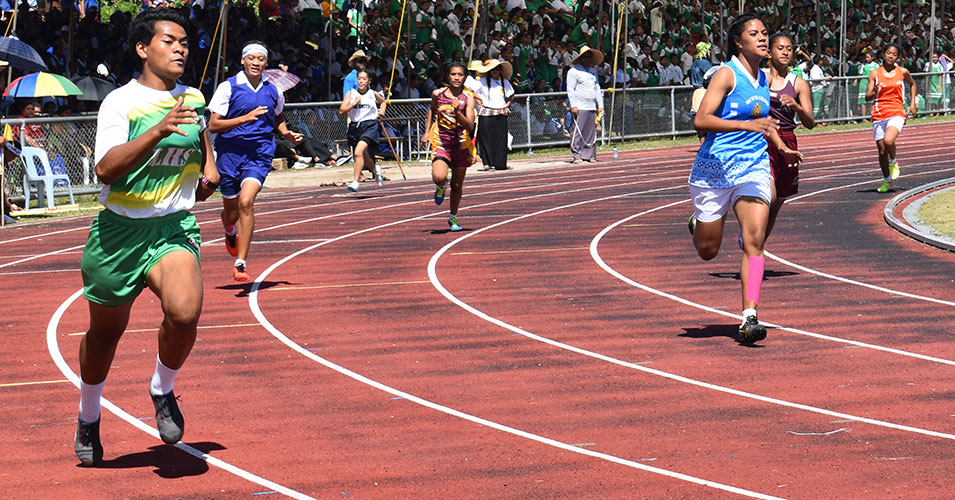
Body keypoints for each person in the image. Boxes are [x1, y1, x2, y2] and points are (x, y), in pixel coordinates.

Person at [74, 7, 220, 467]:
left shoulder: (194, 97)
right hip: (118, 232)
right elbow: (105, 168)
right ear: (143, 49)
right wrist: (157, 131)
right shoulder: (121, 102)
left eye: (184, 42)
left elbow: (199, 136)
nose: (181, 48)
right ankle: (89, 414)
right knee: (105, 335)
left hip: (171, 227)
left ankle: (162, 388)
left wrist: (209, 166)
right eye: (169, 41)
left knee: (185, 311)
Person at [687, 14, 802, 344]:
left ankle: (750, 315)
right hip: (715, 169)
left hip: (753, 167)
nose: (763, 39)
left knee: (755, 241)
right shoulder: (727, 74)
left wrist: (780, 147)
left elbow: (764, 122)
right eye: (755, 34)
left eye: (765, 33)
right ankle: (699, 221)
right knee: (708, 250)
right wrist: (746, 126)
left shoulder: (764, 78)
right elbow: (701, 120)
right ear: (739, 42)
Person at [209, 40, 302, 282]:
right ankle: (229, 230)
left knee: (246, 202)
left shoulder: (273, 90)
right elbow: (213, 125)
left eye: (261, 59)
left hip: (259, 153)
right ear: (243, 61)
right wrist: (244, 118)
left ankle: (241, 263)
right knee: (230, 213)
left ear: (266, 63)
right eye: (252, 58)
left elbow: (278, 116)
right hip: (229, 153)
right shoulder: (228, 87)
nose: (256, 63)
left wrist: (285, 133)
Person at [763, 32, 815, 244]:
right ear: (769, 52)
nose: (785, 52)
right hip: (763, 139)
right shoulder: (760, 79)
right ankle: (752, 238)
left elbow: (810, 122)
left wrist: (796, 106)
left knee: (777, 204)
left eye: (789, 49)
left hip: (789, 140)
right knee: (768, 197)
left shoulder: (798, 83)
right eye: (780, 48)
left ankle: (757, 245)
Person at [422, 62, 476, 232]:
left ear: (464, 77)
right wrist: (427, 131)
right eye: (453, 74)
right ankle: (440, 186)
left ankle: (453, 217)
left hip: (461, 144)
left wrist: (458, 111)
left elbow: (470, 126)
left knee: (458, 185)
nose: (457, 78)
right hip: (442, 141)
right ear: (448, 76)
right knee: (439, 176)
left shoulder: (469, 98)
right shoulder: (438, 94)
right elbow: (432, 110)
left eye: (460, 75)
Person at [865, 43, 917, 193]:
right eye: (888, 53)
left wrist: (912, 104)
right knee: (882, 152)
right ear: (883, 54)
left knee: (889, 140)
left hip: (897, 112)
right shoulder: (875, 73)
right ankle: (887, 181)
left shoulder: (902, 72)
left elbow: (913, 84)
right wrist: (875, 91)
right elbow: (867, 96)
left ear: (898, 57)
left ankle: (894, 162)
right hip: (879, 113)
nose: (891, 56)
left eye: (894, 54)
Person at [338, 69, 387, 193]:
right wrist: (354, 103)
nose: (361, 81)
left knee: (358, 152)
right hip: (355, 127)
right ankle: (376, 171)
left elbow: (383, 102)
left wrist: (382, 111)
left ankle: (355, 182)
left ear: (369, 80)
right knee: (364, 157)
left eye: (364, 79)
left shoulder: (372, 93)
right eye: (359, 78)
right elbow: (342, 110)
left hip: (370, 125)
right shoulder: (352, 93)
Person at [566, 45, 605, 164]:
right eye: (586, 57)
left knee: (590, 132)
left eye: (590, 57)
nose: (588, 60)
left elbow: (597, 88)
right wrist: (573, 105)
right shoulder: (574, 71)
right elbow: (570, 89)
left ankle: (589, 154)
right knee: (578, 131)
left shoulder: (593, 72)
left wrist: (600, 105)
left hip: (591, 105)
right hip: (580, 105)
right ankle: (576, 154)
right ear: (581, 58)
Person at [474, 59, 514, 171]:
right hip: (486, 112)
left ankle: (500, 163)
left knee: (501, 139)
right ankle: (487, 163)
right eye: (493, 69)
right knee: (486, 138)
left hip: (500, 112)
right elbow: (470, 90)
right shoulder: (481, 81)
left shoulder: (504, 82)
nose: (495, 71)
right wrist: (479, 99)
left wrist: (507, 105)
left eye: (497, 69)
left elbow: (511, 94)